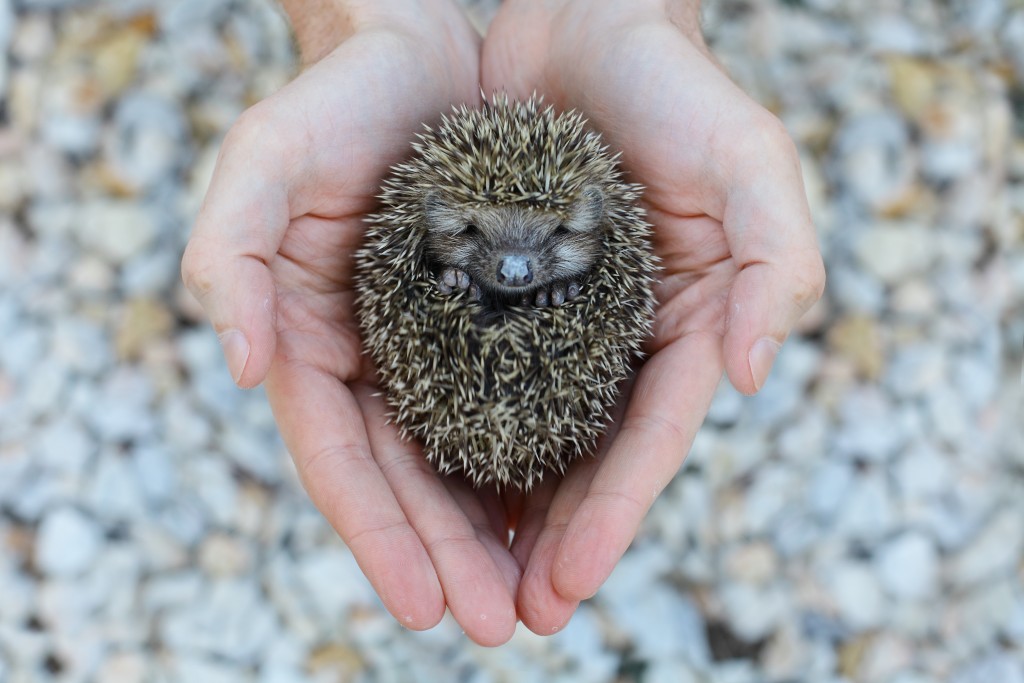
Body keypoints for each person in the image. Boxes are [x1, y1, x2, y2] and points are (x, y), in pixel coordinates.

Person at [181, 0, 825, 647]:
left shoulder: (590, 234)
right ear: (439, 221)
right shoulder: (431, 238)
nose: (516, 267)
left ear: (589, 217)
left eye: (545, 240)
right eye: (482, 238)